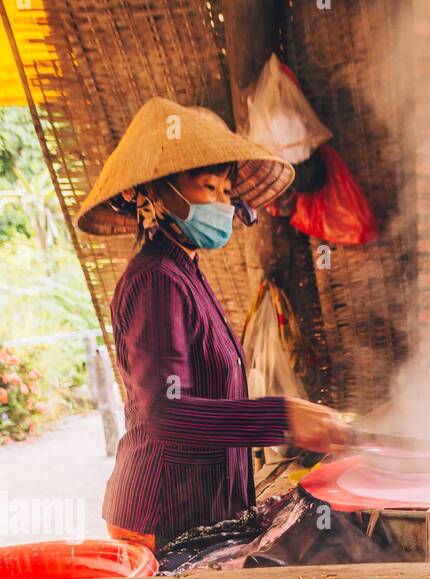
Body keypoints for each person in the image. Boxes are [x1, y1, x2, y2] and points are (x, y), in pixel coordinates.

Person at [77, 98, 349, 551]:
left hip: (200, 509)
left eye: (227, 190)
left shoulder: (186, 271)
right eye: (209, 187)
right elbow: (165, 411)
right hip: (160, 517)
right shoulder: (155, 279)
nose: (225, 203)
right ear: (153, 192)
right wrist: (281, 416)